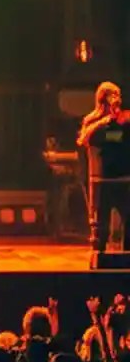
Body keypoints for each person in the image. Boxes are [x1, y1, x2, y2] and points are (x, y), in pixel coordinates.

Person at [77, 81, 130, 260]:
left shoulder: (124, 121)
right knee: (100, 226)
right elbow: (90, 139)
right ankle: (97, 262)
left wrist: (120, 124)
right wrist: (108, 123)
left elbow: (121, 139)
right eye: (112, 98)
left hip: (124, 179)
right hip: (101, 180)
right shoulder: (92, 122)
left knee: (128, 223)